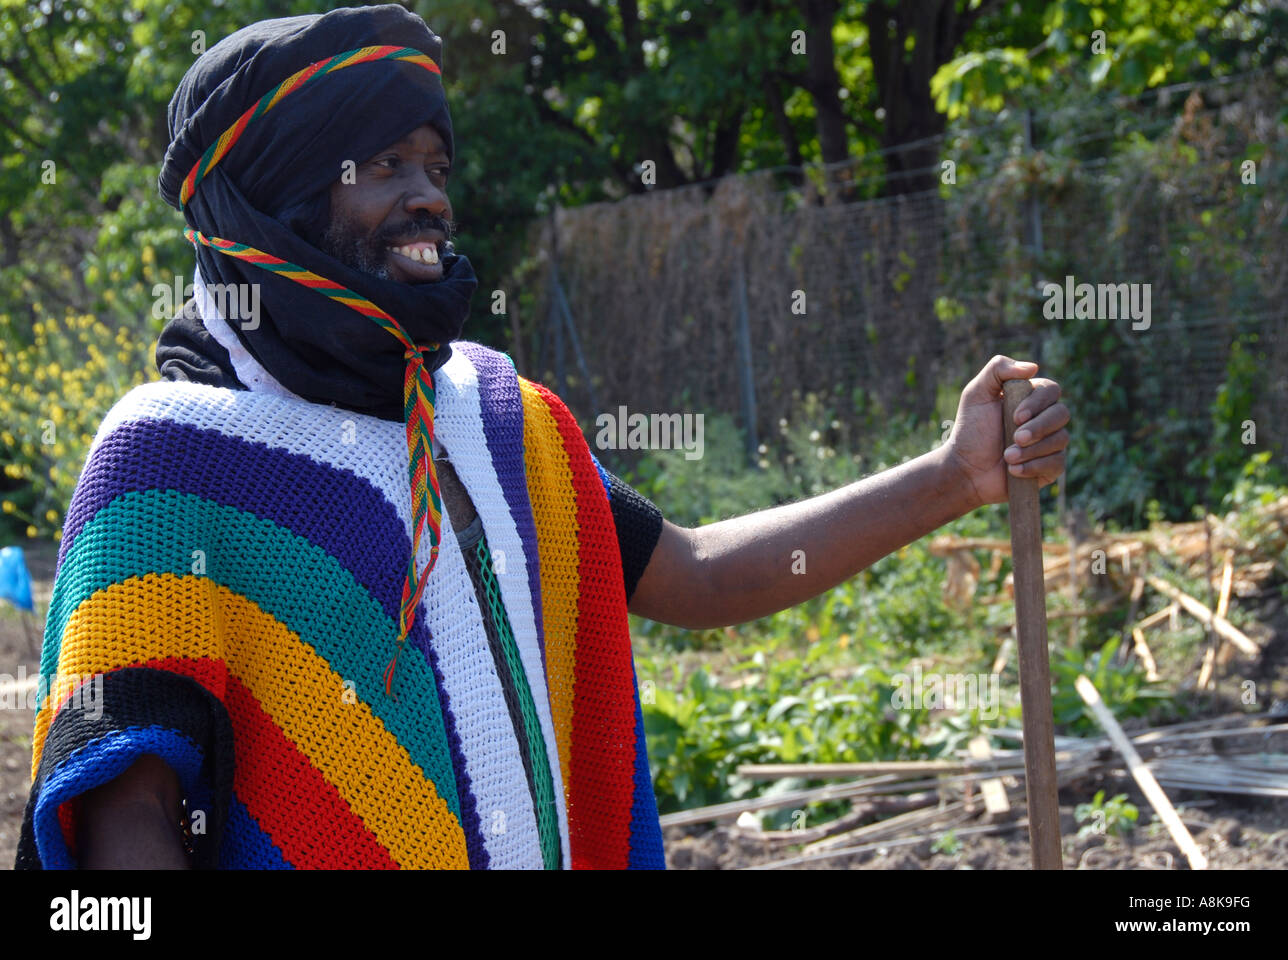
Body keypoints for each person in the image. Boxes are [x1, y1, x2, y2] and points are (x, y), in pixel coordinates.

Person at [16, 4, 1069, 871]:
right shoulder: (168, 465)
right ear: (275, 202)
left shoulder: (499, 419)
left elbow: (696, 576)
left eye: (434, 161)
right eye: (382, 164)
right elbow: (123, 818)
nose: (429, 193)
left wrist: (952, 473)